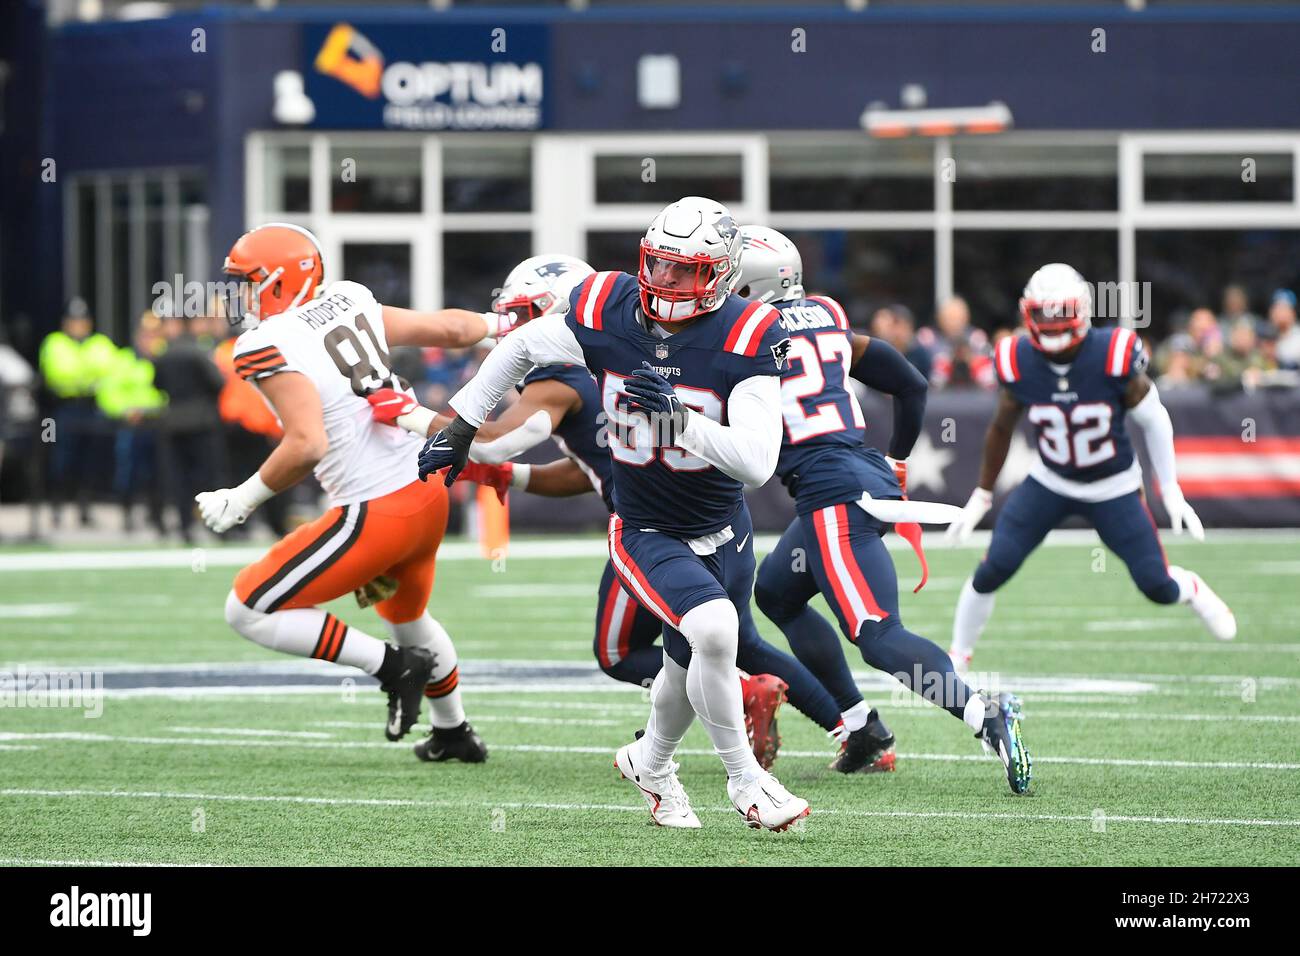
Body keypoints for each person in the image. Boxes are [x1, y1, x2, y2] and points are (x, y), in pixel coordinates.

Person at [372, 253, 866, 771]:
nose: (510, 326)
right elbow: (590, 468)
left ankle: (732, 717)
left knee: (624, 651)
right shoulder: (608, 351)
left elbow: (503, 441)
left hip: (652, 524)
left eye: (521, 314)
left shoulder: (561, 374)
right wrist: (510, 477)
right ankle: (852, 724)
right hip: (699, 513)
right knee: (727, 637)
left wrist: (409, 416)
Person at [418, 197, 809, 831]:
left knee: (685, 665)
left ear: (719, 274)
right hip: (646, 524)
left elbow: (757, 463)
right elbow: (518, 347)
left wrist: (681, 420)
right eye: (657, 264)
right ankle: (746, 779)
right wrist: (463, 424)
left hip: (725, 524)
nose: (663, 282)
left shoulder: (748, 333)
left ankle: (650, 762)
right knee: (713, 632)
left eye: (683, 271)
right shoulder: (608, 305)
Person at [195, 222, 513, 763]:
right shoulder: (349, 300)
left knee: (247, 608)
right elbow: (456, 330)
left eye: (250, 282)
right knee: (408, 617)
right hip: (427, 492)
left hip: (376, 509)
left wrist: (242, 498)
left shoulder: (266, 343)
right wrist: (510, 323)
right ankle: (453, 731)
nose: (244, 296)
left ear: (279, 280)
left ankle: (393, 668)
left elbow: (306, 443)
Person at [734, 226, 1031, 791]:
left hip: (830, 493)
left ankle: (983, 714)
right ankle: (859, 726)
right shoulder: (824, 312)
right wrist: (896, 462)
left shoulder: (742, 335)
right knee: (777, 591)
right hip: (858, 471)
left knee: (876, 633)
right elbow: (912, 383)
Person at [945, 263, 1237, 673]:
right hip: (1051, 481)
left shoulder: (1112, 353)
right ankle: (957, 656)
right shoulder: (1017, 357)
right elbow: (1001, 425)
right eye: (1042, 313)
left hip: (1112, 486)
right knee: (994, 567)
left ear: (1081, 310)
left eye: (1058, 312)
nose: (1050, 323)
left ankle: (1190, 587)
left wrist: (1170, 488)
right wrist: (982, 493)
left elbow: (1154, 418)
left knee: (1157, 586)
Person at [37, 300, 117, 527]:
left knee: (89, 460)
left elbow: (110, 370)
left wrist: (81, 373)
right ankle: (56, 506)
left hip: (91, 407)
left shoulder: (99, 343)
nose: (78, 326)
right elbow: (59, 373)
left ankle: (85, 506)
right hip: (62, 409)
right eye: (74, 321)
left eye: (82, 321)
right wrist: (88, 373)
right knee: (60, 459)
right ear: (65, 323)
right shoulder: (54, 342)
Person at [929, 296, 995, 389]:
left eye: (957, 318)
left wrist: (971, 361)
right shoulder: (929, 340)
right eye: (949, 318)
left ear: (966, 317)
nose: (953, 323)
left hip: (975, 395)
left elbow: (990, 379)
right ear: (939, 318)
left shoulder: (977, 339)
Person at [1268, 289, 1300, 370]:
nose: (1279, 313)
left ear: (1293, 312)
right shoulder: (1266, 336)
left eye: (1284, 309)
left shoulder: (1298, 337)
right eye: (1276, 308)